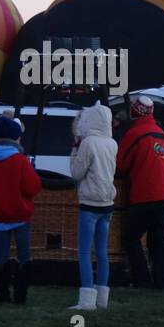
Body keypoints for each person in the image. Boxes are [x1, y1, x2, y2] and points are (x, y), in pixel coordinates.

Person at [0, 116, 42, 304]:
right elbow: (32, 188)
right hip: (20, 215)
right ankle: (20, 294)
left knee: (1, 256)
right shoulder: (20, 161)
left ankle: (2, 292)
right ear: (15, 138)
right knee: (23, 256)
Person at [116, 96, 164, 290]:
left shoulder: (135, 133)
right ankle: (161, 281)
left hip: (145, 194)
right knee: (158, 240)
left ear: (135, 112)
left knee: (130, 238)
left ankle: (142, 279)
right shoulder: (161, 134)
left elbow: (120, 164)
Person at [69, 102, 118, 311]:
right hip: (107, 203)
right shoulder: (112, 143)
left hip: (90, 202)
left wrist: (74, 150)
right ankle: (102, 298)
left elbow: (76, 173)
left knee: (83, 253)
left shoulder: (88, 143)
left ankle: (87, 300)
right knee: (102, 252)